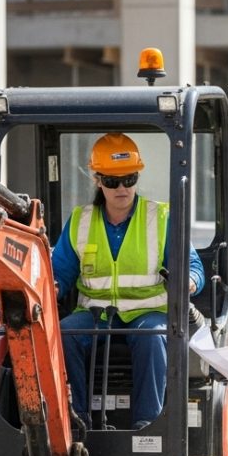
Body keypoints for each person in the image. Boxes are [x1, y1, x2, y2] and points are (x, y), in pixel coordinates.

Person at [52, 132, 204, 430]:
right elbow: (59, 275)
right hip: (96, 314)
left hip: (147, 314)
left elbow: (194, 267)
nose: (121, 188)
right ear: (97, 180)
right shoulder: (80, 221)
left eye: (129, 179)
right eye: (111, 181)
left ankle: (147, 423)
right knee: (63, 333)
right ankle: (77, 420)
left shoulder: (161, 217)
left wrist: (188, 282)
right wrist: (45, 292)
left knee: (153, 337)